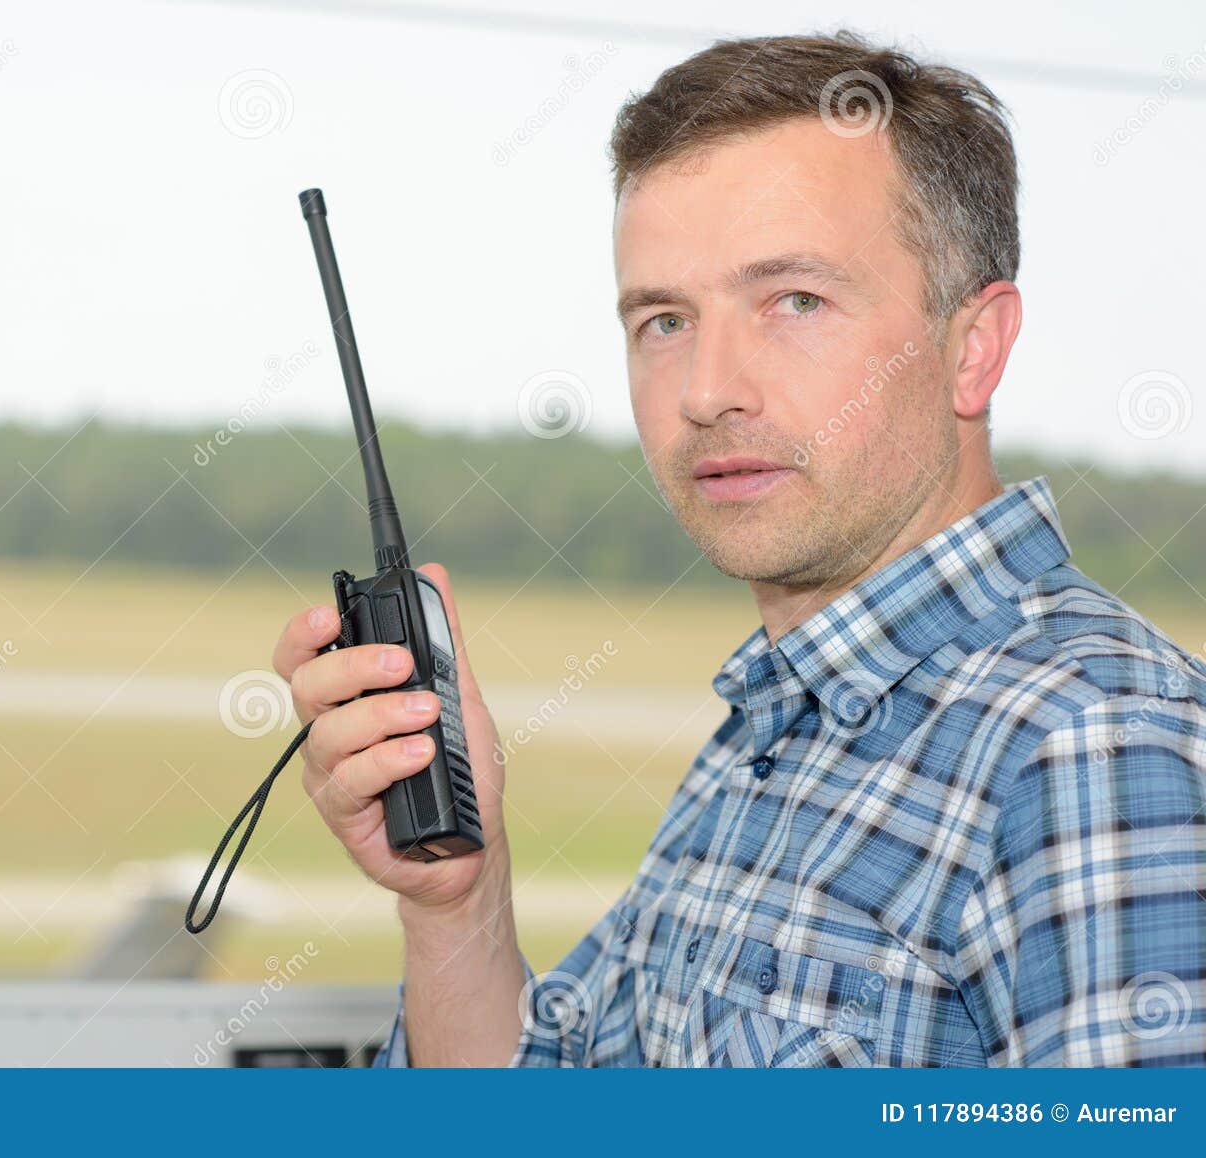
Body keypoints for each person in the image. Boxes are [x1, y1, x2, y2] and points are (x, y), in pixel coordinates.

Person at [269, 31, 1206, 1067]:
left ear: (972, 348)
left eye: (795, 302)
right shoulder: (768, 731)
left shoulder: (1091, 751)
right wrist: (455, 900)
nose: (707, 390)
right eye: (664, 321)